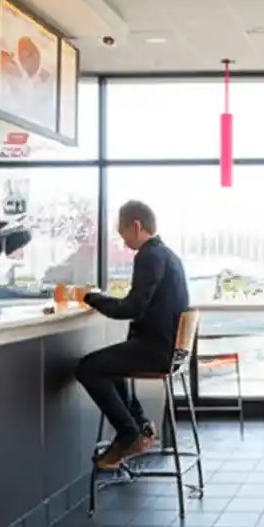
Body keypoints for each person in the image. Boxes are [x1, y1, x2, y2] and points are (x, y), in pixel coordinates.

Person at [77, 200, 190, 469]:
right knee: (111, 365)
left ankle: (129, 434)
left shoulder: (149, 256)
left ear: (136, 226)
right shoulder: (168, 255)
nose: (122, 238)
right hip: (169, 349)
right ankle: (139, 426)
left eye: (122, 231)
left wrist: (91, 297)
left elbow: (132, 307)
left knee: (87, 368)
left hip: (156, 350)